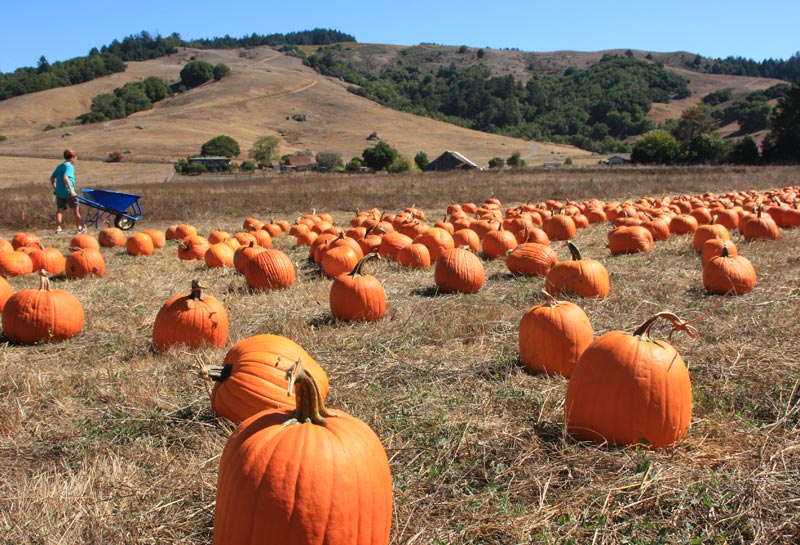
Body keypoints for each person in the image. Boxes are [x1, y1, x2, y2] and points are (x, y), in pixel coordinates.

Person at [50, 148, 84, 234]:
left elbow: (52, 178)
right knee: (76, 208)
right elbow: (65, 177)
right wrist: (71, 190)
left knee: (60, 210)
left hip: (59, 192)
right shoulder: (69, 166)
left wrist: (55, 188)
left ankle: (58, 229)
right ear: (72, 157)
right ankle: (79, 227)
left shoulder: (60, 166)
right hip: (68, 191)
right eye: (76, 157)